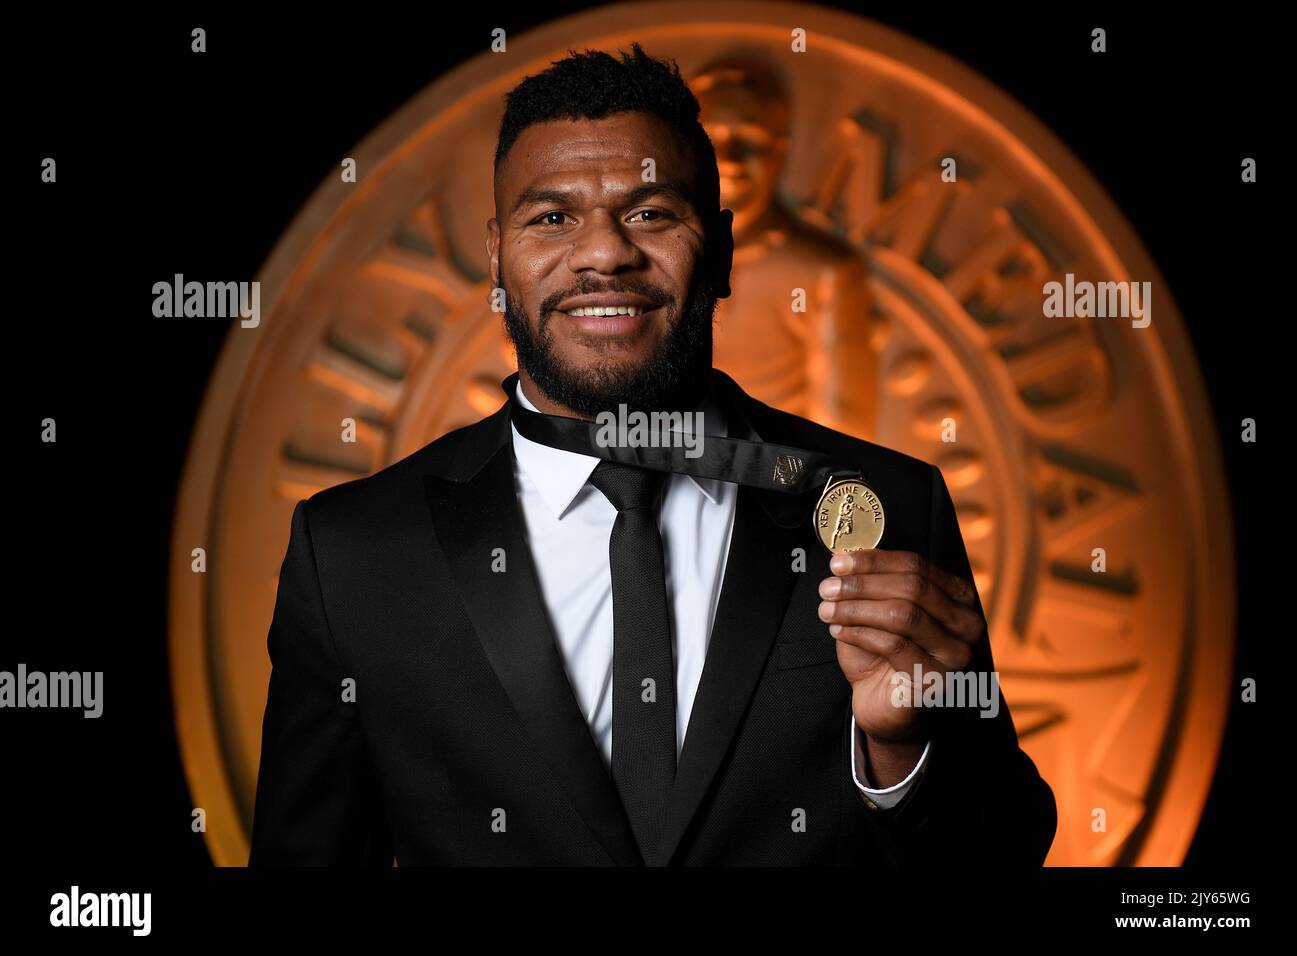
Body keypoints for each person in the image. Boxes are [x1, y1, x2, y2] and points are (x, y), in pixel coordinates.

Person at [248, 44, 1055, 867]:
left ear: (725, 249)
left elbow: (1003, 850)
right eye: (552, 217)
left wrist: (902, 754)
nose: (603, 255)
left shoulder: (889, 504)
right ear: (497, 258)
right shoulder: (350, 552)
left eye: (650, 213)